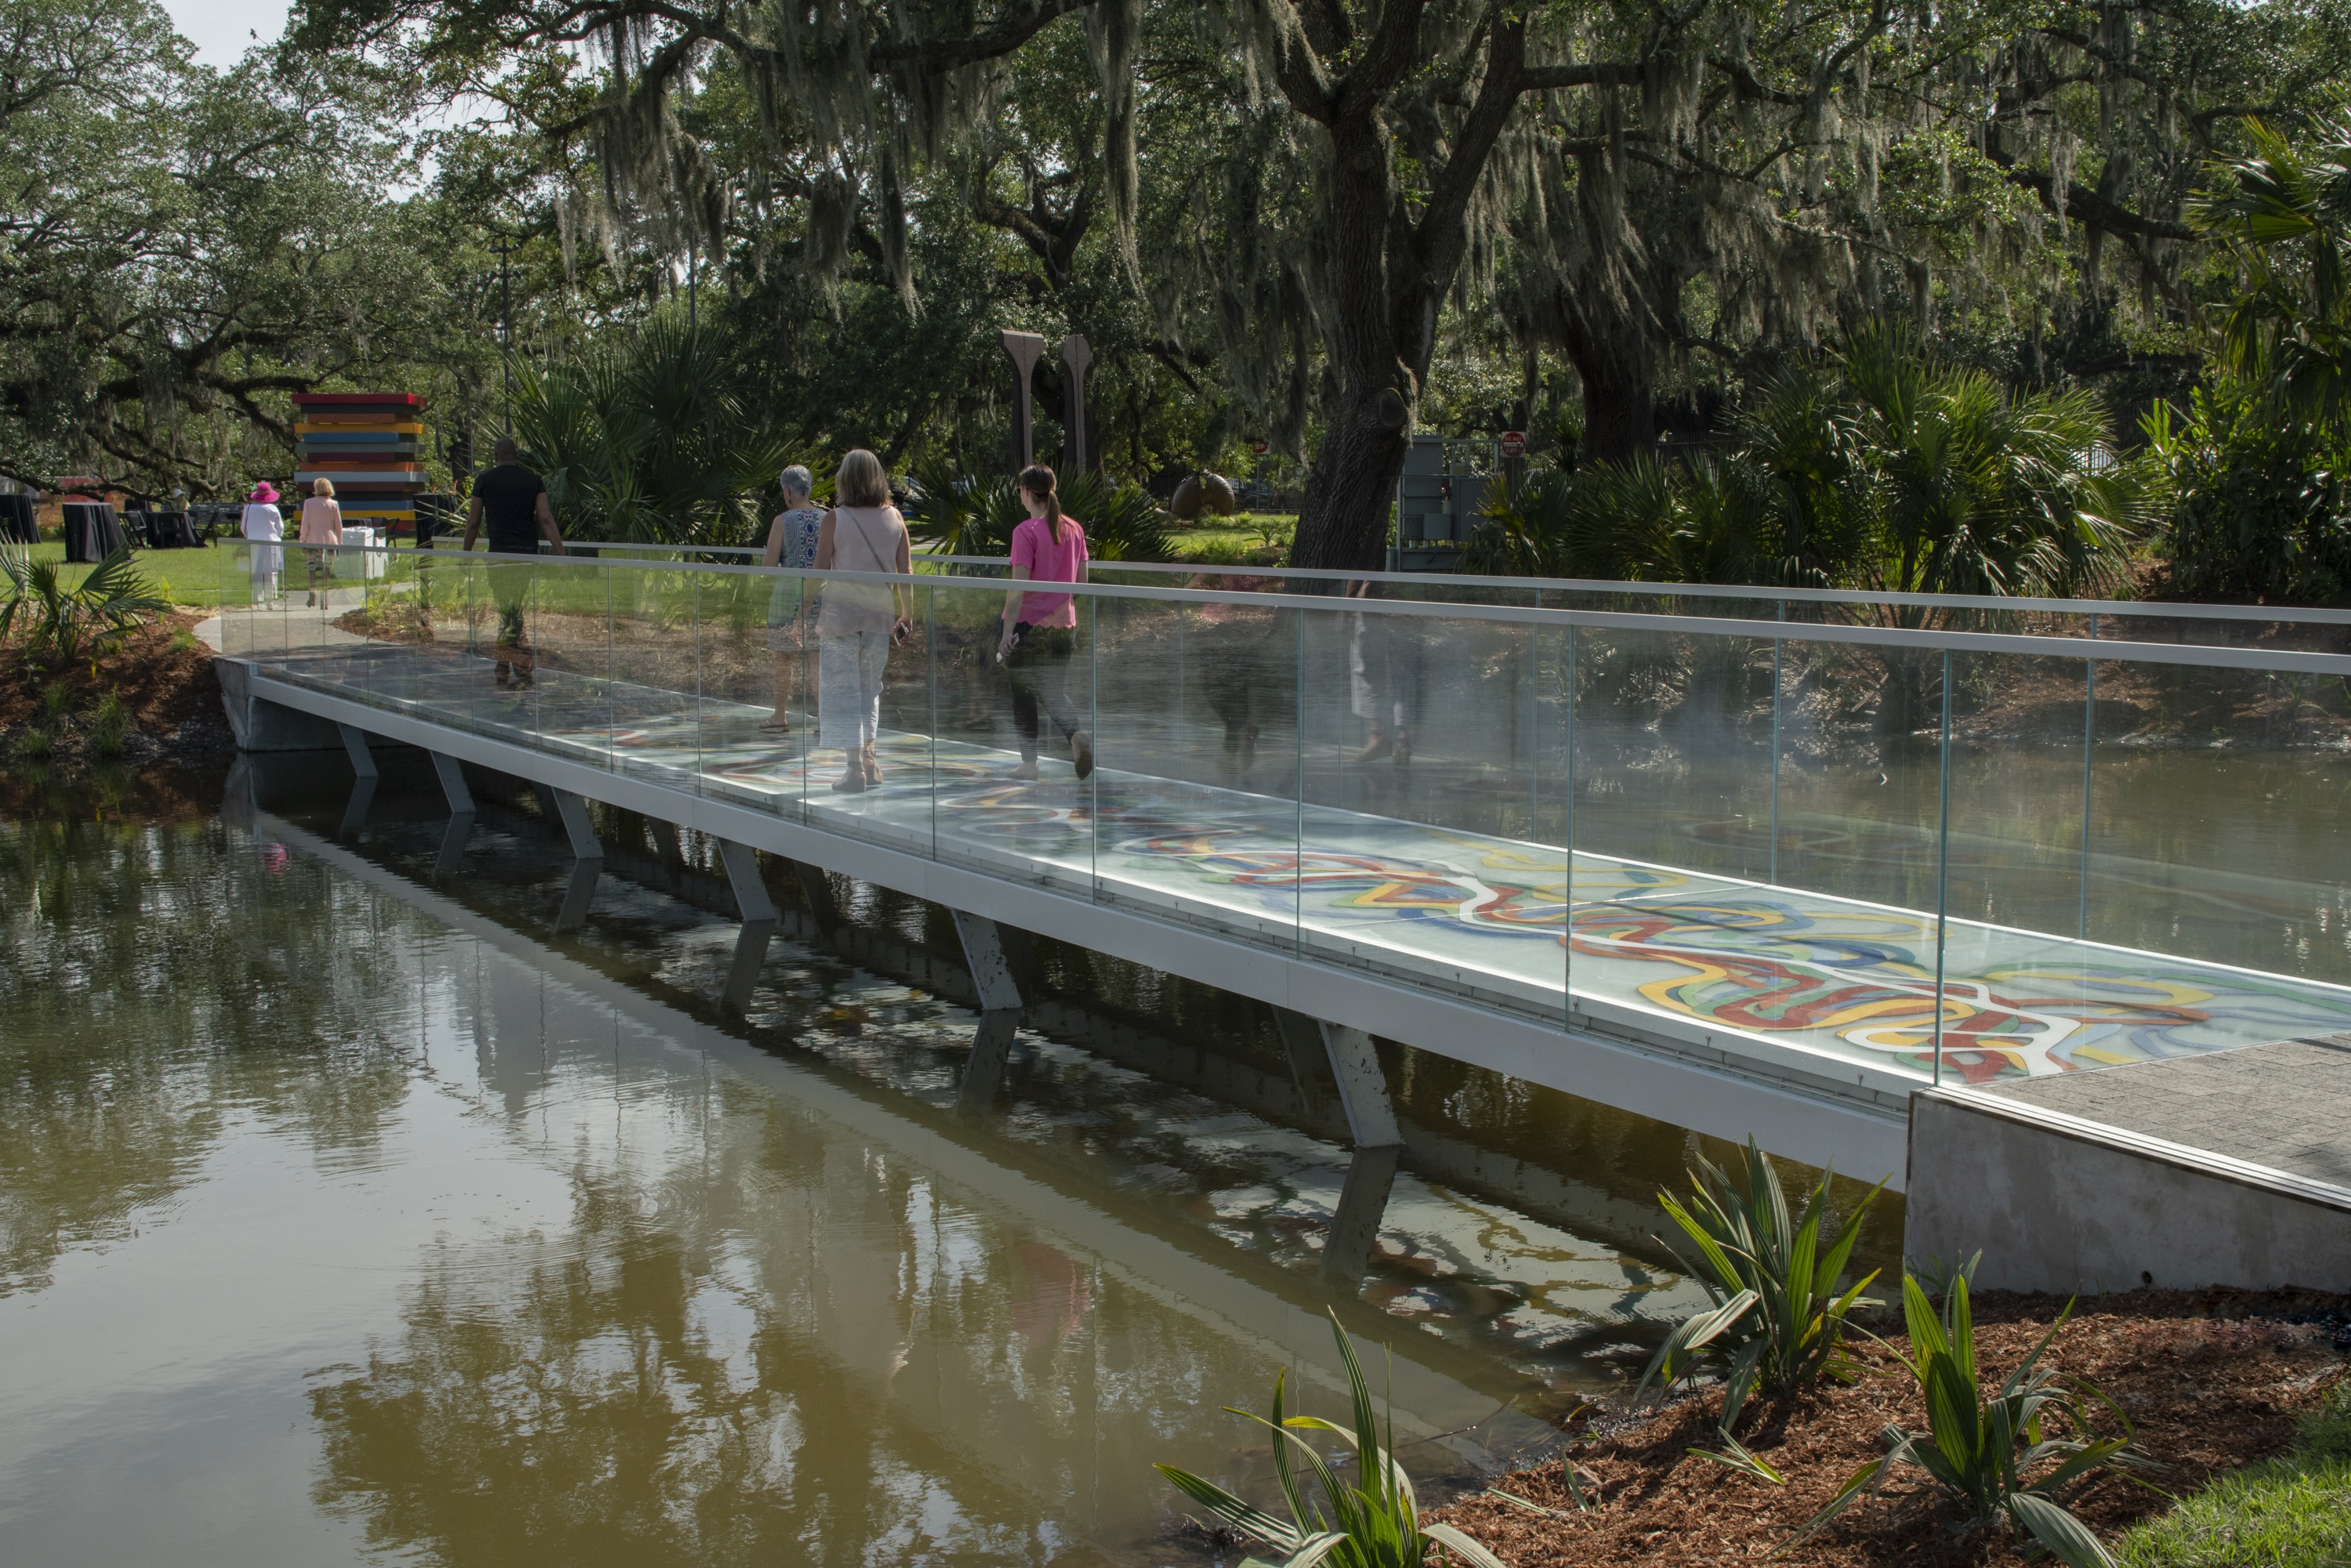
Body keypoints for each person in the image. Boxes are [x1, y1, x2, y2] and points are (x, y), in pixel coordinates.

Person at [813, 449, 911, 792]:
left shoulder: (834, 519)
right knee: (870, 690)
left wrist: (801, 612)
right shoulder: (895, 518)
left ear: (844, 480)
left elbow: (818, 572)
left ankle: (854, 768)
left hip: (840, 615)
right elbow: (906, 572)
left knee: (842, 691)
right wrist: (907, 613)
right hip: (879, 614)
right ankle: (872, 761)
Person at [995, 464, 1092, 782]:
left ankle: (1029, 764)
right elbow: (1081, 583)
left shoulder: (1025, 532)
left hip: (1028, 627)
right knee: (1052, 691)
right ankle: (1076, 734)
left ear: (1026, 492)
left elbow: (1018, 588)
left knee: (1022, 693)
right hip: (1065, 625)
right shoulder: (1074, 529)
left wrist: (1007, 631)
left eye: (1019, 491)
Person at [462, 436, 565, 688]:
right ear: (516, 456)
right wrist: (560, 553)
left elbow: (473, 522)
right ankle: (517, 665)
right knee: (514, 611)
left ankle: (506, 666)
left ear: (495, 457)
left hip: (499, 554)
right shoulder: (533, 480)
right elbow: (545, 518)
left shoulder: (484, 480)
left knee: (508, 611)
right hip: (526, 554)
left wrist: (466, 554)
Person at [759, 465, 824, 731]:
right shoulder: (826, 518)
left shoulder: (782, 521)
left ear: (787, 491)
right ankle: (824, 719)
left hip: (787, 598)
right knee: (817, 659)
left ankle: (779, 716)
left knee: (782, 659)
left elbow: (768, 566)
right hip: (820, 595)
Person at [297, 477, 344, 607]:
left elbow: (305, 523)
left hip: (313, 540)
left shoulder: (309, 503)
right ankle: (325, 598)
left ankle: (312, 593)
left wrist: (303, 540)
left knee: (312, 569)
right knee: (327, 571)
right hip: (330, 540)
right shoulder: (334, 504)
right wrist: (340, 542)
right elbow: (338, 525)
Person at [240, 481, 284, 600]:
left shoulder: (248, 508)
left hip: (254, 542)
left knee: (256, 571)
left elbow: (243, 528)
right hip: (272, 543)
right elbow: (280, 529)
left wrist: (251, 535)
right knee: (271, 572)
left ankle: (258, 599)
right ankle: (270, 599)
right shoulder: (273, 509)